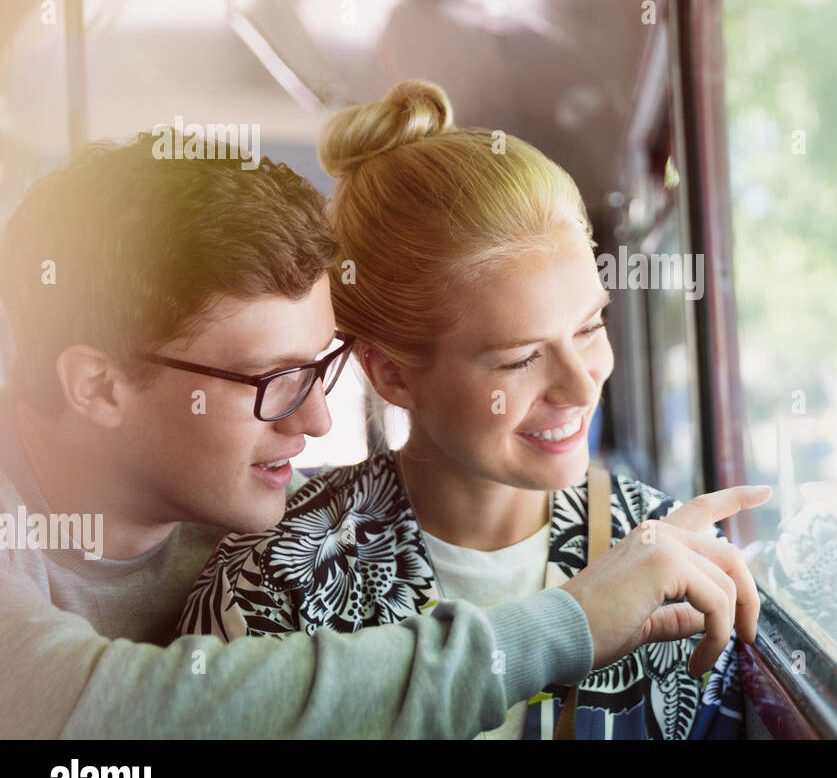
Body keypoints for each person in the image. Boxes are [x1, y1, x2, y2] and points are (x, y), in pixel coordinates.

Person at [0, 129, 766, 739]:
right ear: (98, 387)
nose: (320, 420)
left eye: (320, 367)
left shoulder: (261, 516)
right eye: (273, 382)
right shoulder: (267, 575)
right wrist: (574, 620)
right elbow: (104, 718)